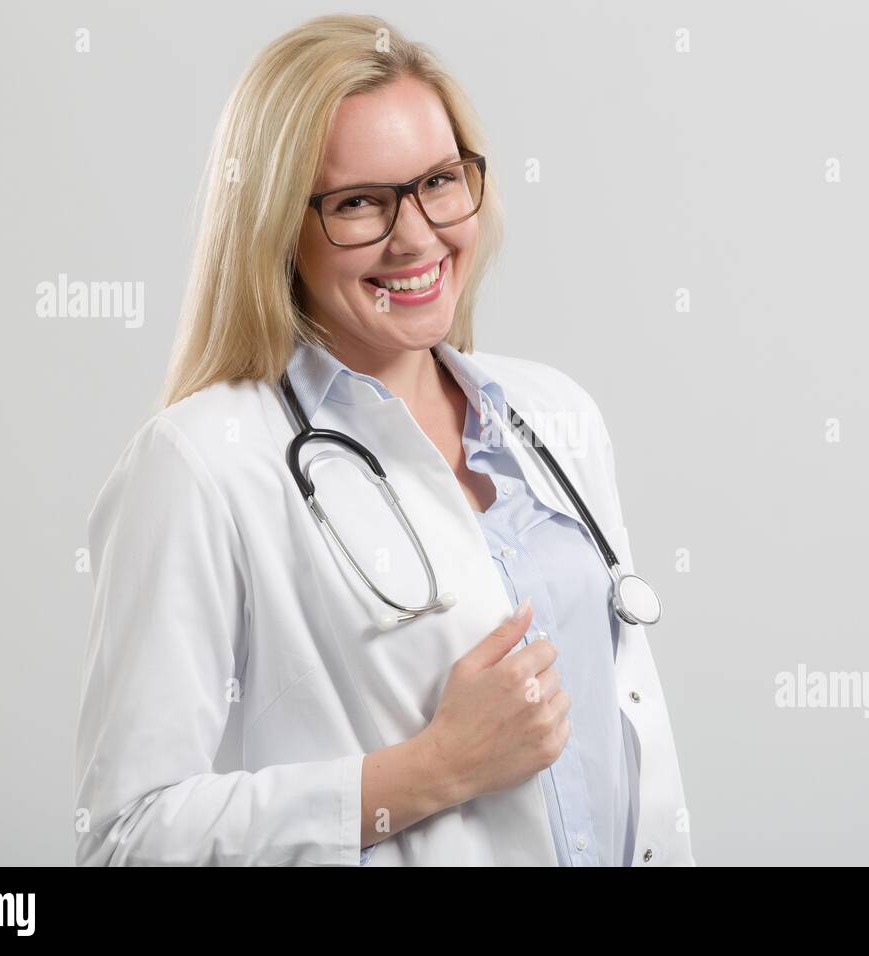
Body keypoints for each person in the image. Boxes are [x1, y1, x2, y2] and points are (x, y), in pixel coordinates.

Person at [74, 13, 693, 866]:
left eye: (439, 180)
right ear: (275, 229)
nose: (416, 235)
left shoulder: (556, 416)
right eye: (360, 202)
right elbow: (125, 839)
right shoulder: (201, 465)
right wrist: (430, 771)